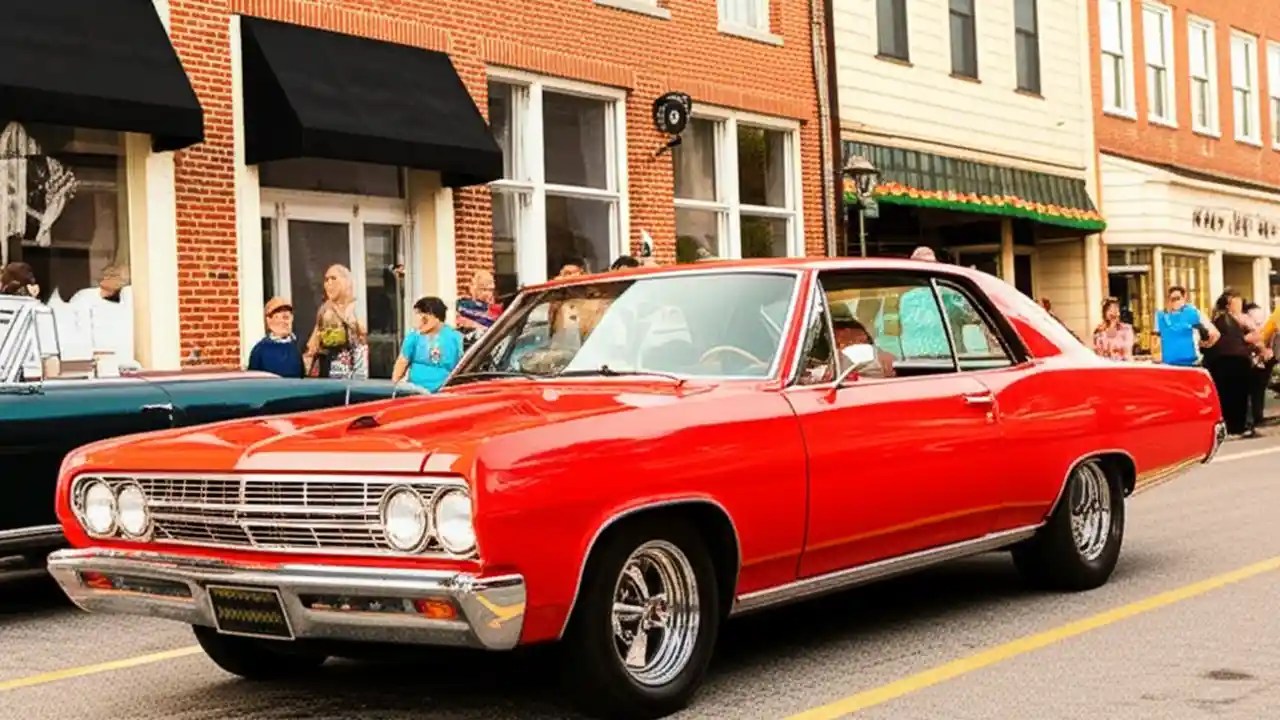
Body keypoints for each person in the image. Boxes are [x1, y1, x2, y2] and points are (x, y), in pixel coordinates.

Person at [1202, 289, 1259, 438]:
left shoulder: (1221, 319)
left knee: (1231, 394)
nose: (1239, 305)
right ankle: (1238, 426)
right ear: (1229, 304)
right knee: (1237, 394)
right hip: (1232, 359)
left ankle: (1235, 425)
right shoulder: (1229, 320)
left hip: (1225, 359)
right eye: (1237, 302)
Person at [304, 264, 368, 379]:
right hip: (328, 371)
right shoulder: (324, 310)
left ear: (346, 281)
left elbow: (362, 339)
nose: (329, 283)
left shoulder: (357, 307)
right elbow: (312, 344)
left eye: (334, 278)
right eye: (326, 280)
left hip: (353, 371)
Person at [391, 296, 464, 393]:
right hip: (416, 392)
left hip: (444, 392)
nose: (420, 321)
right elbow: (402, 362)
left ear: (434, 316)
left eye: (424, 317)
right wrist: (394, 387)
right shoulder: (414, 336)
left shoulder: (456, 338)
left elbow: (462, 366)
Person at [1155, 285, 1218, 366]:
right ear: (1168, 300)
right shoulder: (1161, 317)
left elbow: (1215, 333)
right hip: (1168, 364)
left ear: (1184, 298)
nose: (1175, 302)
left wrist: (1205, 344)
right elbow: (1156, 340)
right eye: (1172, 299)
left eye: (1178, 298)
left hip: (1191, 363)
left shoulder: (1193, 312)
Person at [247, 297, 304, 378]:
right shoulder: (260, 350)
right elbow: (253, 382)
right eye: (278, 317)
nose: (284, 322)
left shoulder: (298, 347)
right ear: (269, 320)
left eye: (287, 317)